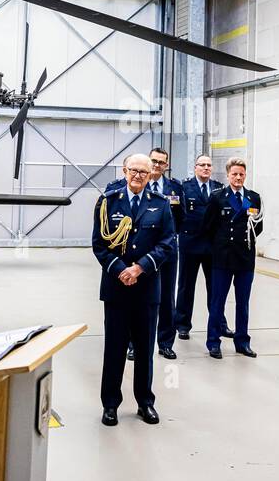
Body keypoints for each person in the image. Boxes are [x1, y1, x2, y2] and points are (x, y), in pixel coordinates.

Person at [92, 153, 175, 426]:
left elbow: (166, 244)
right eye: (133, 170)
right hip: (116, 288)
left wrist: (139, 268)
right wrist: (120, 270)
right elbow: (99, 245)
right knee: (114, 348)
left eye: (144, 171)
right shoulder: (107, 202)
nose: (138, 175)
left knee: (144, 349)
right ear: (124, 171)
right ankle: (111, 404)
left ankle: (145, 402)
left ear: (152, 173)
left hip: (147, 288)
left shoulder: (161, 205)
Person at [203, 157, 261, 359]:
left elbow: (257, 227)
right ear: (228, 175)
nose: (238, 177)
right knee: (218, 302)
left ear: (245, 175)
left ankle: (242, 342)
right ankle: (213, 342)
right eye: (234, 174)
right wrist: (220, 246)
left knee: (243, 302)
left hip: (245, 258)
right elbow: (208, 226)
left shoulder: (254, 198)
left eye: (241, 174)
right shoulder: (218, 197)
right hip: (223, 258)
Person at [173, 154, 222, 342]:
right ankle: (183, 325)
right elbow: (177, 214)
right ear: (195, 168)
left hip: (212, 246)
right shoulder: (185, 187)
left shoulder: (218, 188)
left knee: (215, 288)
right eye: (202, 165)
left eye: (209, 165)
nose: (206, 168)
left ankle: (218, 324)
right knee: (186, 287)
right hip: (190, 244)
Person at [146, 148, 184, 359]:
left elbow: (182, 217)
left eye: (161, 162)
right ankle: (136, 343)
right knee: (142, 298)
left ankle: (166, 343)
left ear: (166, 165)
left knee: (167, 297)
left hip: (168, 250)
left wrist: (170, 240)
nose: (157, 165)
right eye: (154, 161)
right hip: (144, 251)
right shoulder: (139, 184)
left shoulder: (174, 188)